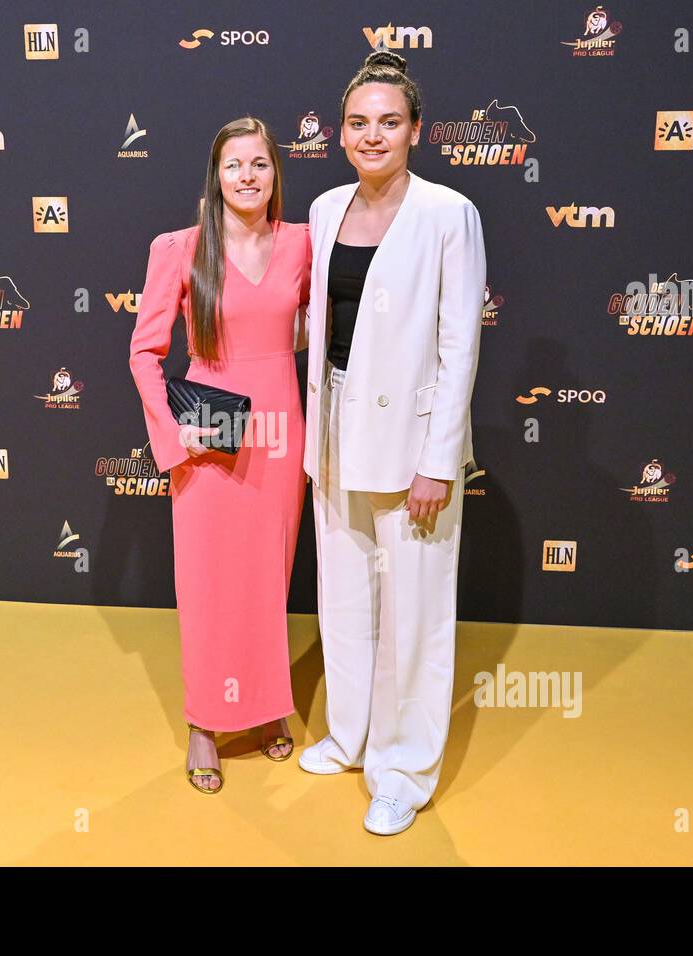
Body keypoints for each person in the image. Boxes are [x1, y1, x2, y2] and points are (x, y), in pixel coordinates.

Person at [298, 50, 488, 833]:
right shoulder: (323, 206)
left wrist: (437, 462)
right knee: (343, 594)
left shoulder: (450, 213)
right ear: (340, 133)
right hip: (336, 425)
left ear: (416, 130)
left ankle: (403, 771)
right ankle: (351, 736)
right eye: (357, 123)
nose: (371, 135)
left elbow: (459, 346)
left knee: (413, 610)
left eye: (388, 122)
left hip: (412, 442)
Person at [128, 117, 312, 794]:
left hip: (280, 436)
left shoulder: (303, 244)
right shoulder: (179, 248)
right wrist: (177, 437)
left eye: (260, 164)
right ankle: (205, 721)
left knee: (269, 579)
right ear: (216, 175)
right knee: (208, 583)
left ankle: (264, 706)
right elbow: (144, 353)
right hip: (208, 438)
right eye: (234, 165)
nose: (247, 177)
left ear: (275, 175)